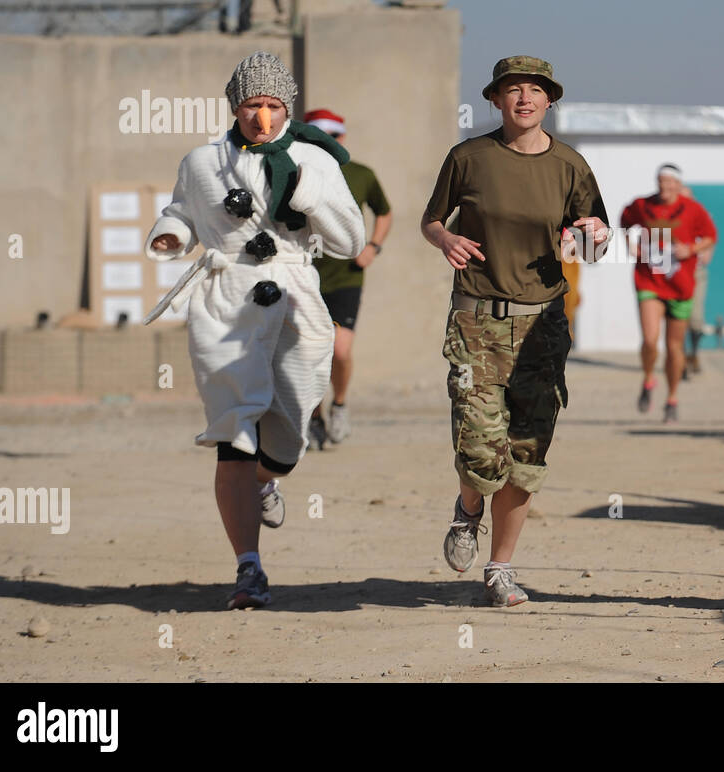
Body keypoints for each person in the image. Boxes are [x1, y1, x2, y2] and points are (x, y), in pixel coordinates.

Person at [144, 51, 365, 609]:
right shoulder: (201, 162)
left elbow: (350, 242)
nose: (261, 118)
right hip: (225, 299)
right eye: (250, 105)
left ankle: (270, 477)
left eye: (271, 105)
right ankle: (248, 568)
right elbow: (183, 210)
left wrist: (311, 196)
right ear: (234, 106)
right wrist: (171, 233)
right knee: (233, 432)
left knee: (287, 435)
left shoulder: (316, 160)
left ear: (286, 106)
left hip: (295, 295)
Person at [420, 56, 610, 608]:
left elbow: (595, 240)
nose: (523, 99)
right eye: (512, 90)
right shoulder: (469, 157)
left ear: (549, 101)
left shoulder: (571, 165)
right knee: (481, 449)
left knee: (526, 454)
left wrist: (597, 233)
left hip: (543, 324)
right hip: (476, 319)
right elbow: (432, 219)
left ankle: (500, 569)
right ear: (496, 100)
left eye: (533, 90)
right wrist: (444, 240)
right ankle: (468, 509)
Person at [302, 108, 393, 448]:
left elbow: (384, 212)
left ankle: (339, 405)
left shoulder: (361, 174)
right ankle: (313, 417)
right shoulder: (294, 173)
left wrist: (373, 247)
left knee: (339, 351)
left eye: (334, 136)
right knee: (308, 353)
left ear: (342, 138)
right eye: (318, 136)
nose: (327, 143)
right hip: (304, 276)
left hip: (346, 277)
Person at [620, 165, 717, 422]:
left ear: (677, 184)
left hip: (681, 285)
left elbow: (710, 236)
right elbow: (625, 221)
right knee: (650, 340)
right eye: (660, 182)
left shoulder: (693, 209)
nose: (664, 187)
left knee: (674, 347)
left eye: (669, 182)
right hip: (649, 280)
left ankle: (672, 398)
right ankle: (649, 378)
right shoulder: (642, 205)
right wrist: (630, 245)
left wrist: (693, 249)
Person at [680, 183, 714, 378]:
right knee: (679, 319)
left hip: (696, 273)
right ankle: (681, 359)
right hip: (676, 273)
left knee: (695, 319)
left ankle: (693, 352)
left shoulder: (701, 216)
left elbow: (710, 237)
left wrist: (706, 252)